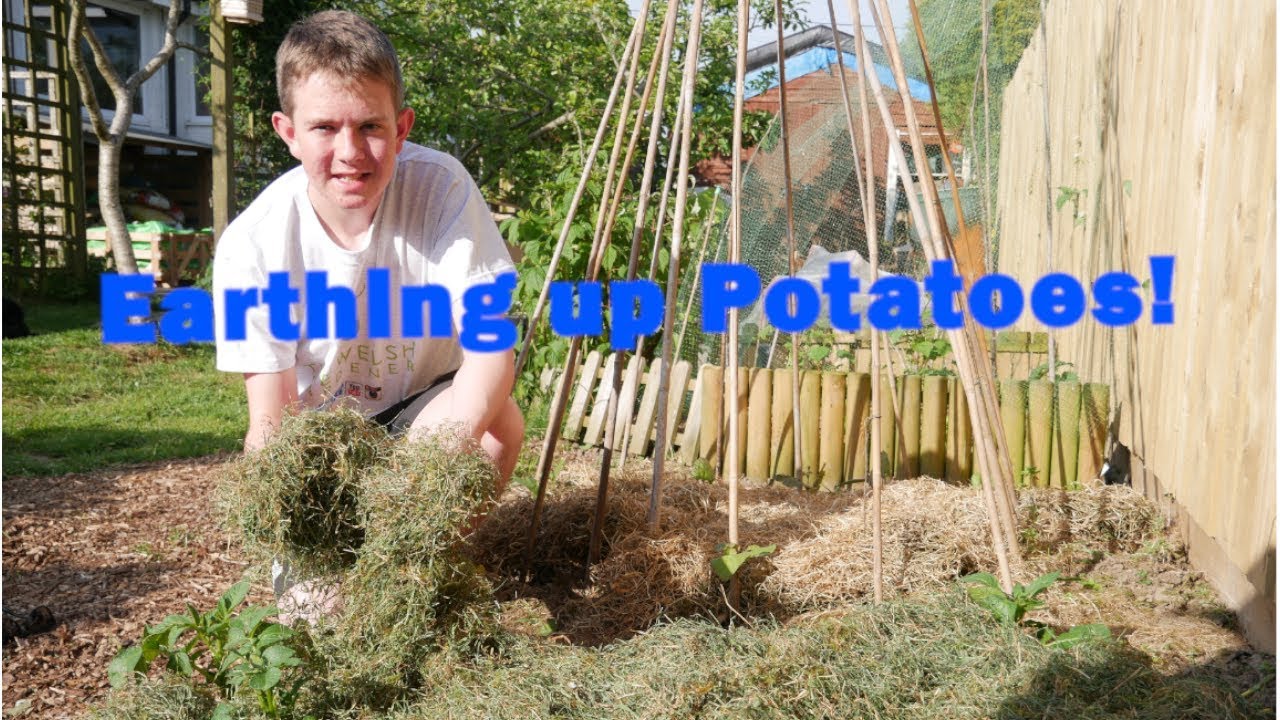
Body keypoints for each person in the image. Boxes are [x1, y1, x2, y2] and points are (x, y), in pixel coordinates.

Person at [212, 10, 524, 619]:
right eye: (325, 127)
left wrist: (422, 486)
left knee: (497, 425)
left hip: (423, 414)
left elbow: (490, 345)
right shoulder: (255, 246)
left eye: (371, 127)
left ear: (402, 127)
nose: (350, 152)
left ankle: (425, 567)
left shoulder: (441, 190)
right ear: (288, 131)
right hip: (324, 436)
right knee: (321, 617)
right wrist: (292, 519)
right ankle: (322, 587)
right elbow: (269, 421)